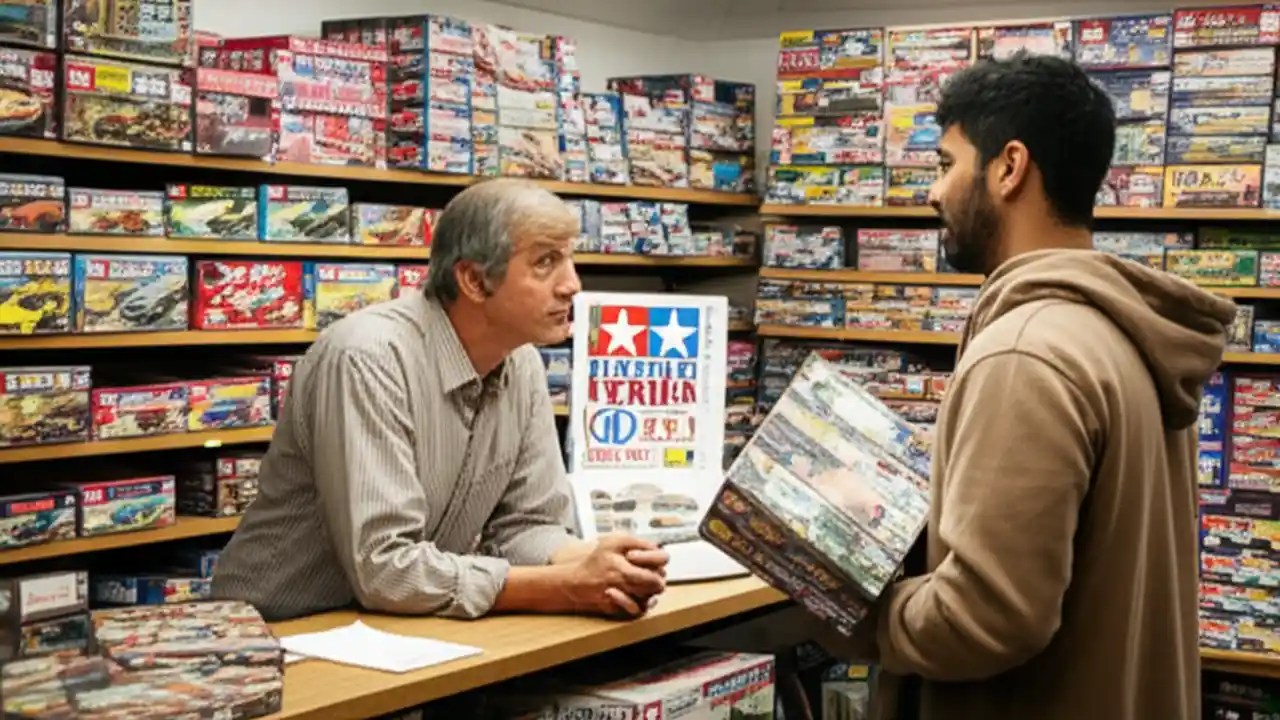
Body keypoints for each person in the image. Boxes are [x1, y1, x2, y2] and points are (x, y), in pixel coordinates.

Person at [806, 53, 1236, 719]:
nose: (934, 191)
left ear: (1009, 167)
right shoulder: (1122, 332)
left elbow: (989, 616)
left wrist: (853, 611)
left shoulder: (1023, 352)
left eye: (946, 164)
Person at [212, 178, 669, 622]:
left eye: (569, 259)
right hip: (280, 632)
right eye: (545, 262)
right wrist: (566, 587)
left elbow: (526, 527)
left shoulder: (522, 362)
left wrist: (608, 564)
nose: (572, 285)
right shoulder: (369, 356)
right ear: (472, 279)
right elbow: (385, 568)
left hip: (398, 630)